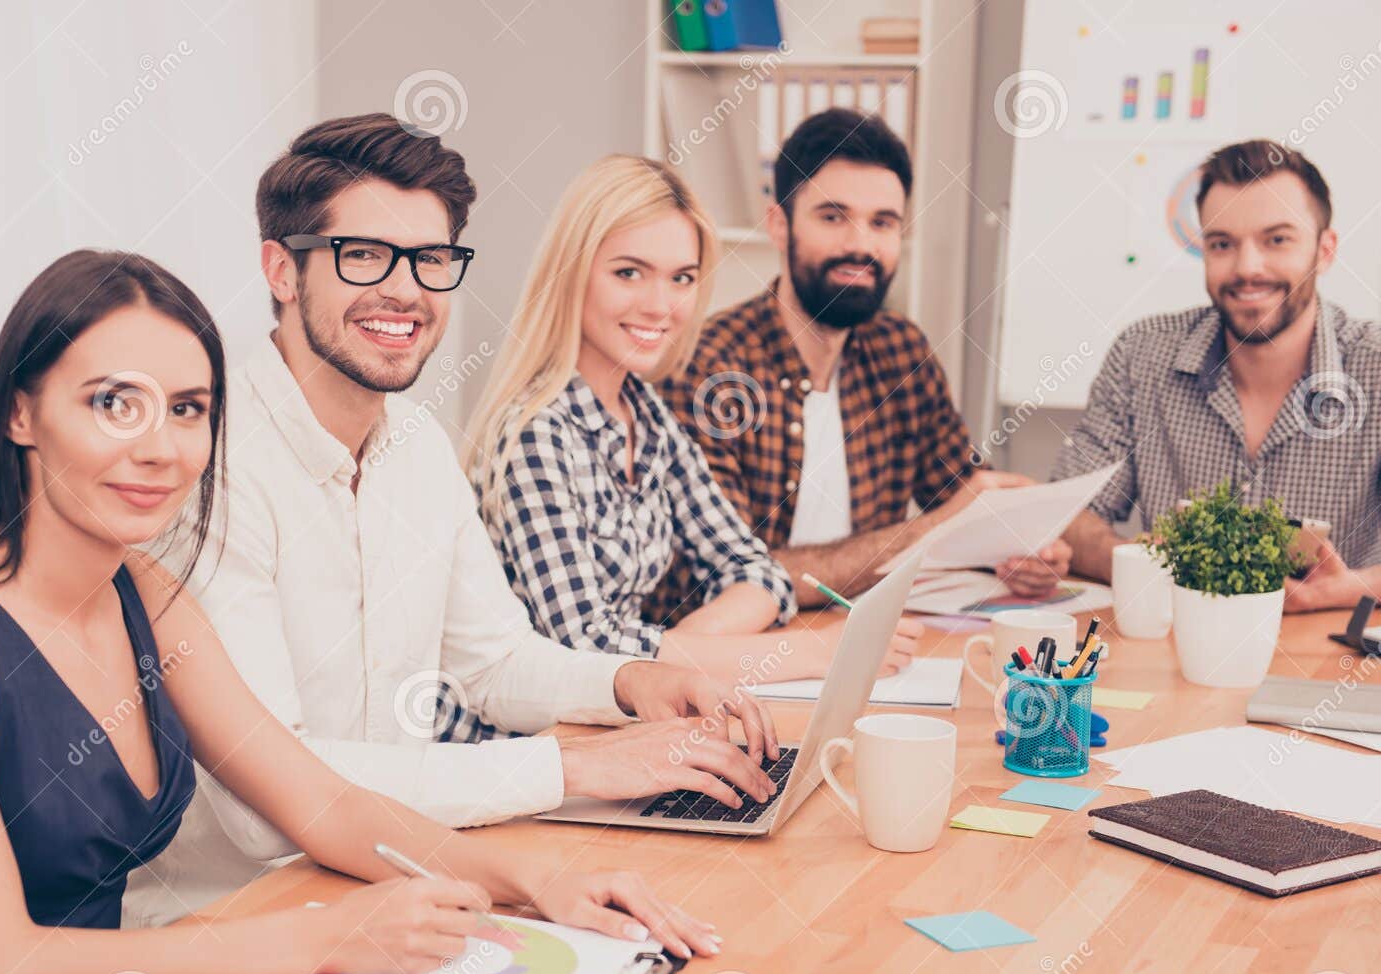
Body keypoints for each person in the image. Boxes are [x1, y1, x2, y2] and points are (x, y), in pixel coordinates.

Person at [0, 250, 722, 974]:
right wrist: (322, 936)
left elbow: (320, 802)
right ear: (21, 412)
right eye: (111, 403)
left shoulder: (145, 590)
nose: (160, 448)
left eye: (188, 410)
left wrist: (538, 879)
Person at [123, 116, 779, 930]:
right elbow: (275, 804)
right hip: (234, 926)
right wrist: (572, 765)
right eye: (363, 255)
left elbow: (493, 662)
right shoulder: (210, 465)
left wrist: (628, 682)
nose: (405, 291)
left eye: (430, 261)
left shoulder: (418, 445)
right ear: (282, 271)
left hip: (402, 884)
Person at [462, 154, 921, 686]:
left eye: (681, 278)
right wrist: (814, 653)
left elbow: (759, 573)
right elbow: (588, 650)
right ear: (571, 273)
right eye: (629, 273)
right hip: (532, 744)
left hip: (622, 720)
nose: (661, 305)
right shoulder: (537, 433)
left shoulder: (646, 413)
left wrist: (689, 659)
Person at [651, 108, 1071, 620]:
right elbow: (727, 576)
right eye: (833, 217)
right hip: (734, 664)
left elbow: (964, 496)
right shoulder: (707, 366)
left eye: (883, 223)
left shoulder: (900, 351)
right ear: (779, 225)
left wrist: (1018, 546)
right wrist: (933, 529)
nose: (861, 245)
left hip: (869, 649)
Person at [1053, 139, 1381, 610]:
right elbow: (1070, 515)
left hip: (1328, 664)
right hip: (1173, 657)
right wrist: (1144, 563)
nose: (1247, 268)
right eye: (1222, 244)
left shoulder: (1374, 364)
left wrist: (1346, 588)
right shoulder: (1141, 354)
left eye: (1277, 240)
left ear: (1324, 250)